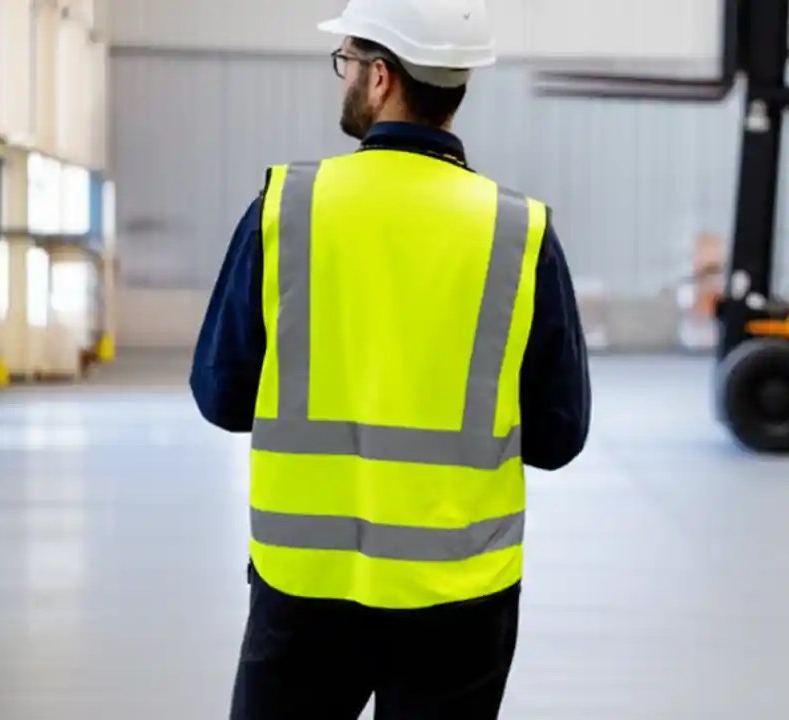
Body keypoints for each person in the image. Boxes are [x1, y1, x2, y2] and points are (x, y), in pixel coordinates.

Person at [189, 1, 591, 717]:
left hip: (306, 583)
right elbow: (558, 438)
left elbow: (222, 397)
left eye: (345, 60)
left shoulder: (289, 208)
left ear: (380, 77)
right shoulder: (517, 231)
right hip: (460, 594)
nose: (342, 75)